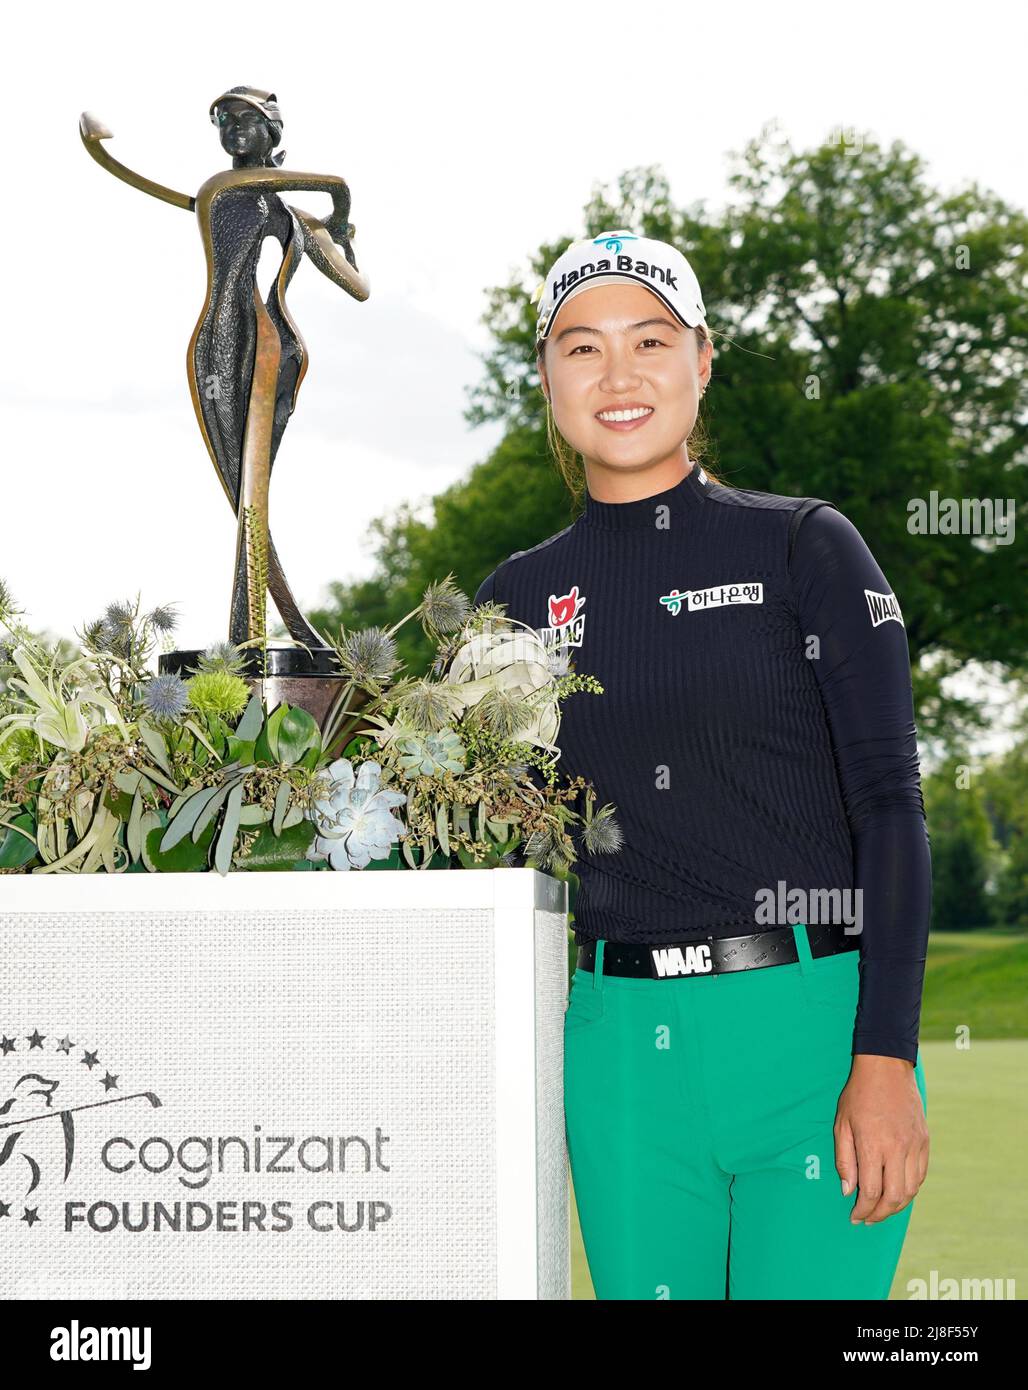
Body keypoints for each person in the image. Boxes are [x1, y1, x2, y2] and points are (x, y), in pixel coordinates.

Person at [473, 228, 931, 1300]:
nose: (618, 375)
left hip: (812, 1036)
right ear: (545, 375)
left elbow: (890, 809)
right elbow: (492, 836)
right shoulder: (513, 600)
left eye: (650, 339)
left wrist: (885, 1057)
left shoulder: (802, 545)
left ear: (702, 359)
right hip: (618, 1052)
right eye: (581, 349)